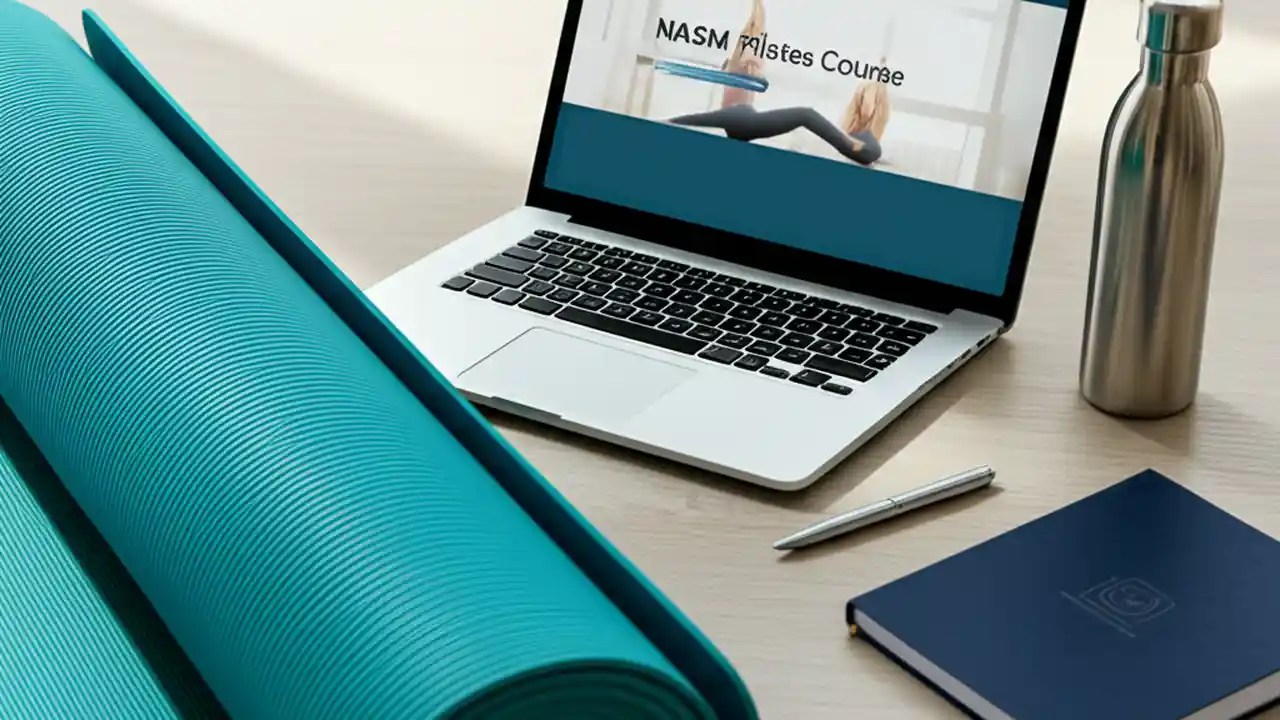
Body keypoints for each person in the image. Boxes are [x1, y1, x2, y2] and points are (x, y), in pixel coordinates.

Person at [669, 1, 889, 167]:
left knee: (688, 121)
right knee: (806, 114)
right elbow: (755, 22)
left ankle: (853, 144)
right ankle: (851, 145)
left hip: (743, 118)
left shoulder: (742, 56)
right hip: (741, 118)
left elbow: (756, 24)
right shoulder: (746, 53)